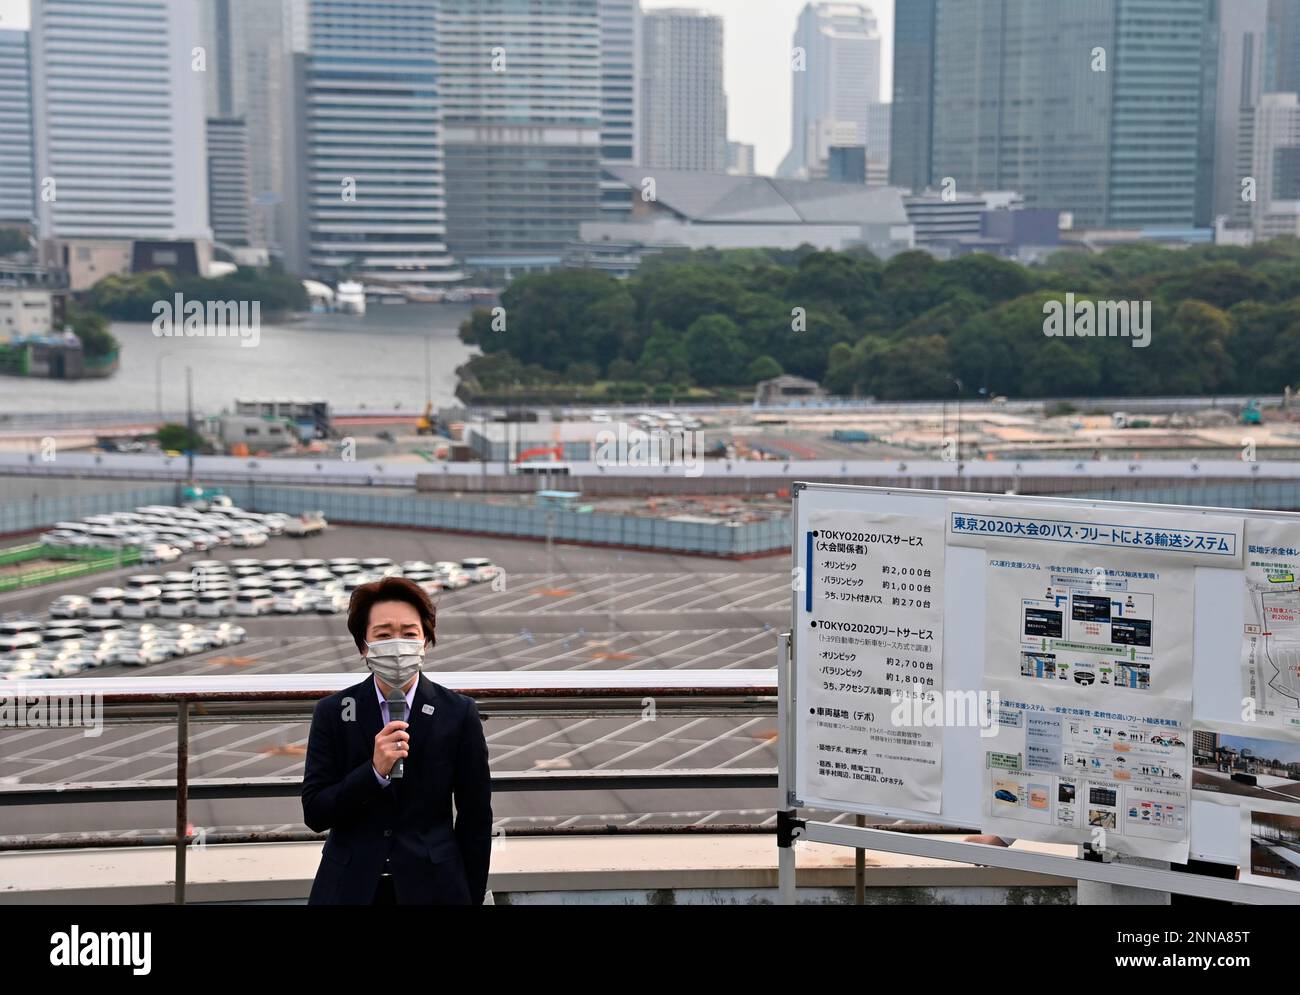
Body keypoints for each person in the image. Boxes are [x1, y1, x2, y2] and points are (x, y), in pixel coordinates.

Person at [302, 576, 492, 904]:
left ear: (426, 642)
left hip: (434, 887)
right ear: (364, 646)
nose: (397, 645)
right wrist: (373, 772)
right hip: (350, 887)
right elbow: (316, 813)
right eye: (384, 635)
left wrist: (469, 896)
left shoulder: (458, 712)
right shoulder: (333, 712)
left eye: (408, 634)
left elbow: (475, 817)